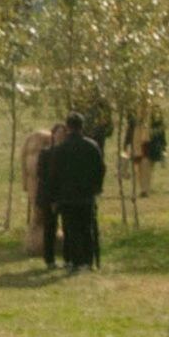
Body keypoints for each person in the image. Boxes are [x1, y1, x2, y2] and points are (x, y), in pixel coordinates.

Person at [47, 114, 108, 271]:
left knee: (71, 229)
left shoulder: (60, 149)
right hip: (86, 195)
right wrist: (97, 187)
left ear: (67, 127)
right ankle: (88, 261)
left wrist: (53, 197)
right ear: (82, 127)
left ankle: (75, 261)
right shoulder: (92, 146)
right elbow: (101, 169)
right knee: (87, 228)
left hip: (67, 196)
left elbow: (54, 175)